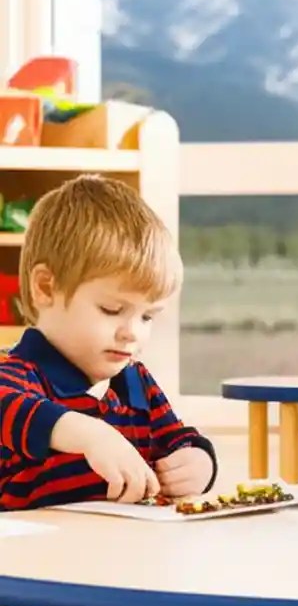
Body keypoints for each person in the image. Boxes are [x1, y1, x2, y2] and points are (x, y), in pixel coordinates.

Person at [0, 175, 216, 511]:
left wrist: (198, 462)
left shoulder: (136, 382)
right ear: (45, 288)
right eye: (112, 310)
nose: (132, 333)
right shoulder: (17, 376)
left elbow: (175, 438)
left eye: (147, 317)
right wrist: (87, 434)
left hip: (126, 556)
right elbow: (10, 409)